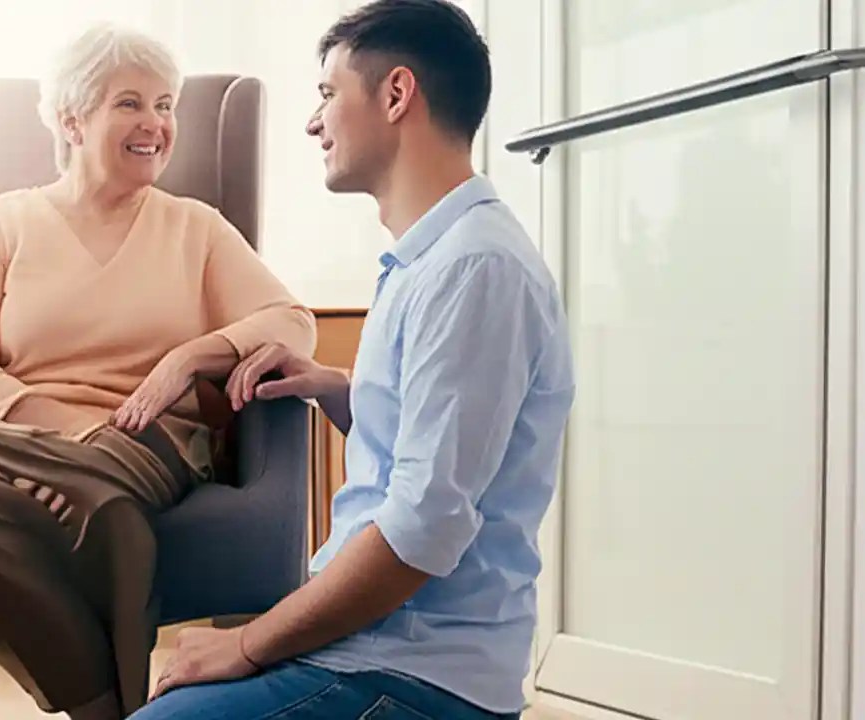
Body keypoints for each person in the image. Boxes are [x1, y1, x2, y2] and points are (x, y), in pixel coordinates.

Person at [0, 24, 315, 720]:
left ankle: (95, 703)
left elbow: (291, 321)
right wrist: (71, 431)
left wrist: (188, 358)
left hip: (138, 442)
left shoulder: (195, 228)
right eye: (130, 104)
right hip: (1, 439)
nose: (156, 124)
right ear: (70, 119)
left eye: (166, 104)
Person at [134, 1, 575, 718]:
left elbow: (421, 531)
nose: (315, 122)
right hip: (379, 650)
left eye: (327, 94)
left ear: (396, 95)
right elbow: (441, 442)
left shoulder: (473, 269)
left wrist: (248, 645)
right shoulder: (431, 260)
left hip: (414, 673)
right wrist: (340, 388)